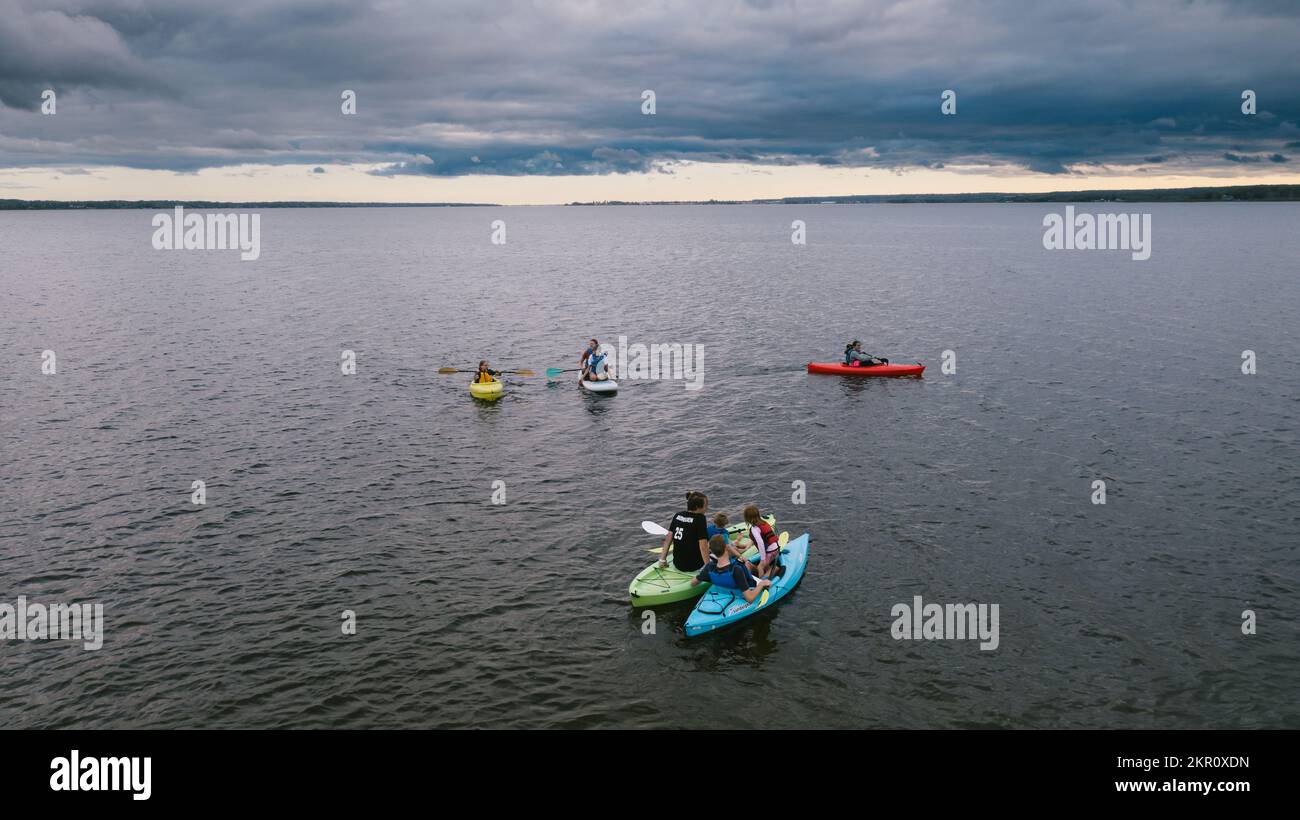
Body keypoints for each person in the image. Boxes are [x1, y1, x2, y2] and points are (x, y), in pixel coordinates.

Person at [690, 535, 771, 604]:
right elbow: (750, 598)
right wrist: (761, 584)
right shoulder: (736, 569)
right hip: (744, 592)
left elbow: (693, 583)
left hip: (724, 593)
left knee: (747, 564)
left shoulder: (709, 567)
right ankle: (769, 572)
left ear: (711, 551)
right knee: (773, 569)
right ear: (726, 547)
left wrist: (701, 576)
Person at [658, 491, 711, 573]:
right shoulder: (700, 519)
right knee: (718, 551)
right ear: (697, 507)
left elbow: (668, 539)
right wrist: (708, 567)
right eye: (706, 506)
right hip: (695, 566)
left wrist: (662, 559)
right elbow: (703, 546)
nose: (707, 508)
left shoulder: (677, 515)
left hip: (678, 564)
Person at [743, 504, 783, 579]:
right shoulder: (764, 523)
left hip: (770, 552)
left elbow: (760, 543)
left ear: (747, 518)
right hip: (776, 549)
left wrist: (763, 558)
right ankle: (770, 570)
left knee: (760, 567)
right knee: (763, 564)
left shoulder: (754, 529)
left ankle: (762, 582)